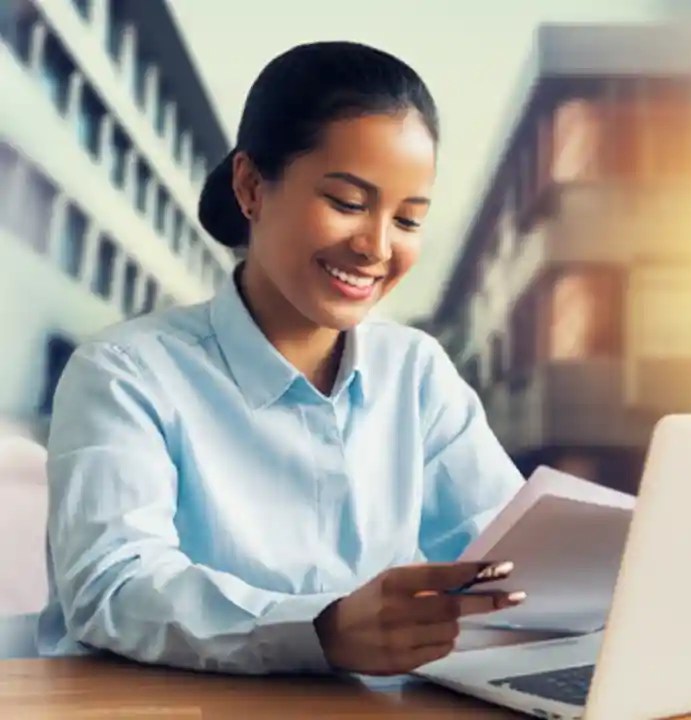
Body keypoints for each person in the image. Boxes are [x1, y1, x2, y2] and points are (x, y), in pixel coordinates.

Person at [35, 41, 527, 676]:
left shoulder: (416, 372)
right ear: (250, 187)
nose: (376, 247)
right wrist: (323, 629)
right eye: (348, 203)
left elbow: (508, 555)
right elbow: (114, 585)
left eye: (407, 219)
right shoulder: (125, 372)